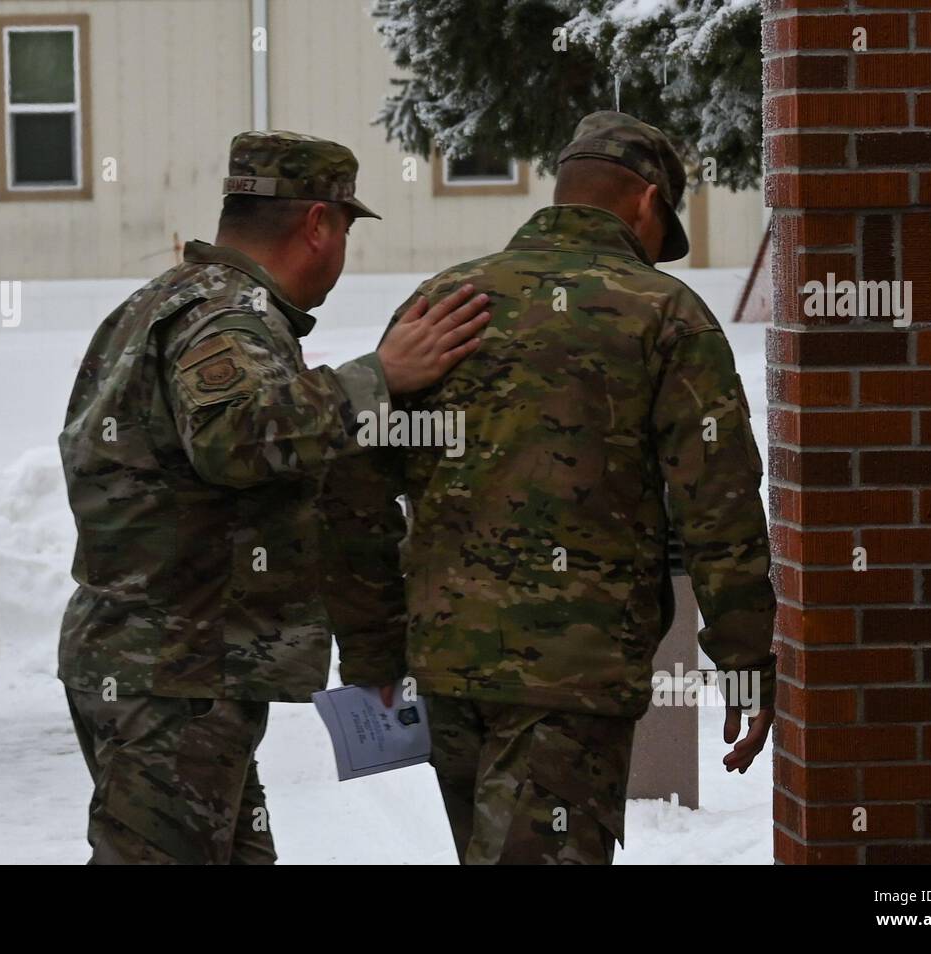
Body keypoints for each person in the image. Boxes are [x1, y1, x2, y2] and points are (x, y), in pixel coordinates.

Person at [321, 112, 777, 865]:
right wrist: (746, 663)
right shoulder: (664, 315)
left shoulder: (443, 302)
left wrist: (373, 655)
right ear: (647, 203)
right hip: (574, 678)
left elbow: (354, 491)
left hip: (448, 667)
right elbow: (718, 507)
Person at [57, 129, 490, 864]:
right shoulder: (225, 314)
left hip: (168, 664)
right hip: (175, 675)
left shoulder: (169, 302)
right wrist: (377, 378)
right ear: (318, 223)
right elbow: (234, 440)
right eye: (347, 228)